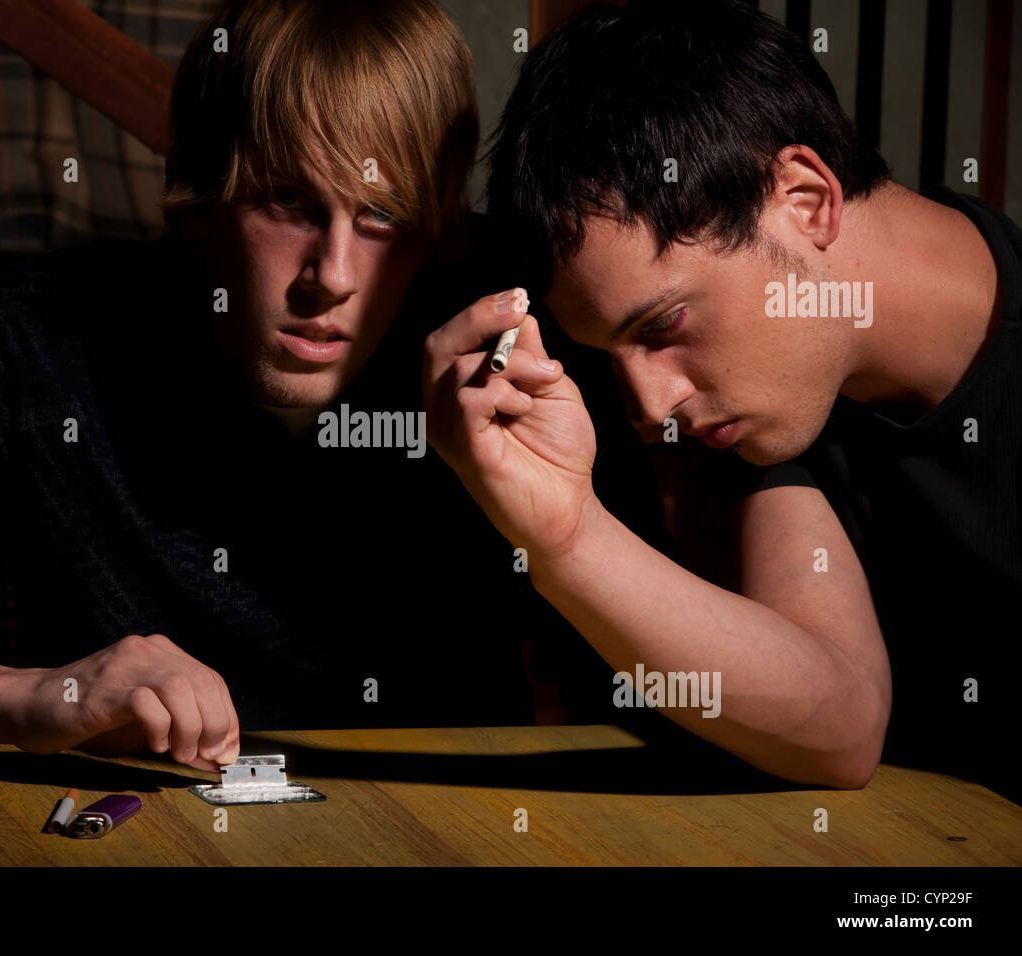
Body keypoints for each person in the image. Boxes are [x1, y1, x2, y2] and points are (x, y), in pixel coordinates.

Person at [0, 0, 664, 771]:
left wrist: (565, 532)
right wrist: (34, 696)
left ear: (438, 224)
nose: (331, 275)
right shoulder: (24, 334)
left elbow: (664, 702)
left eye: (381, 216)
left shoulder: (515, 338)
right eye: (289, 202)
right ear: (204, 193)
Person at [426, 0, 1019, 799]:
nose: (651, 406)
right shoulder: (780, 407)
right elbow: (839, 729)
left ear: (806, 202)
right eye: (613, 356)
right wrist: (565, 535)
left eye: (665, 325)